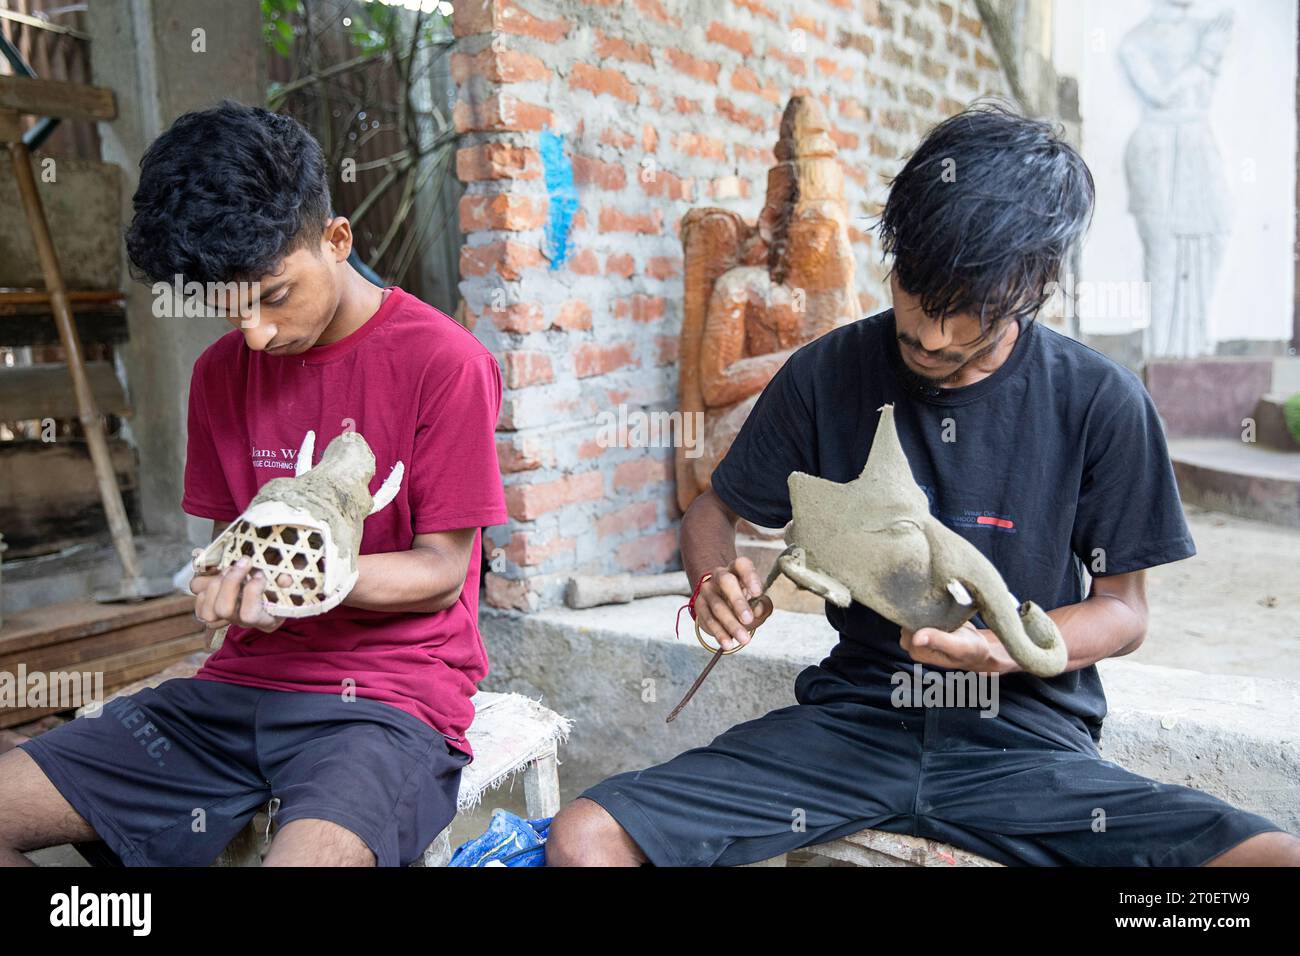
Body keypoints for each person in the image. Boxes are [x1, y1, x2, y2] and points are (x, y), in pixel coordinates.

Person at [545, 104, 1300, 867]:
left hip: (1026, 743)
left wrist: (1010, 650)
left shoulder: (1101, 402)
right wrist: (713, 579)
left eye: (965, 318)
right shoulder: (827, 373)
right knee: (586, 838)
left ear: (1033, 283)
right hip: (854, 727)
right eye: (918, 303)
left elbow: (1123, 611)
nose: (933, 339)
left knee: (1269, 859)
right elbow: (716, 509)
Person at [0, 102, 507, 867]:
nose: (257, 335)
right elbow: (223, 552)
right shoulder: (218, 375)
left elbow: (440, 574)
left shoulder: (445, 362)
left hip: (384, 703)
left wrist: (303, 574)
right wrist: (222, 587)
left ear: (337, 240)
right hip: (236, 689)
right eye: (225, 308)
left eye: (273, 296)